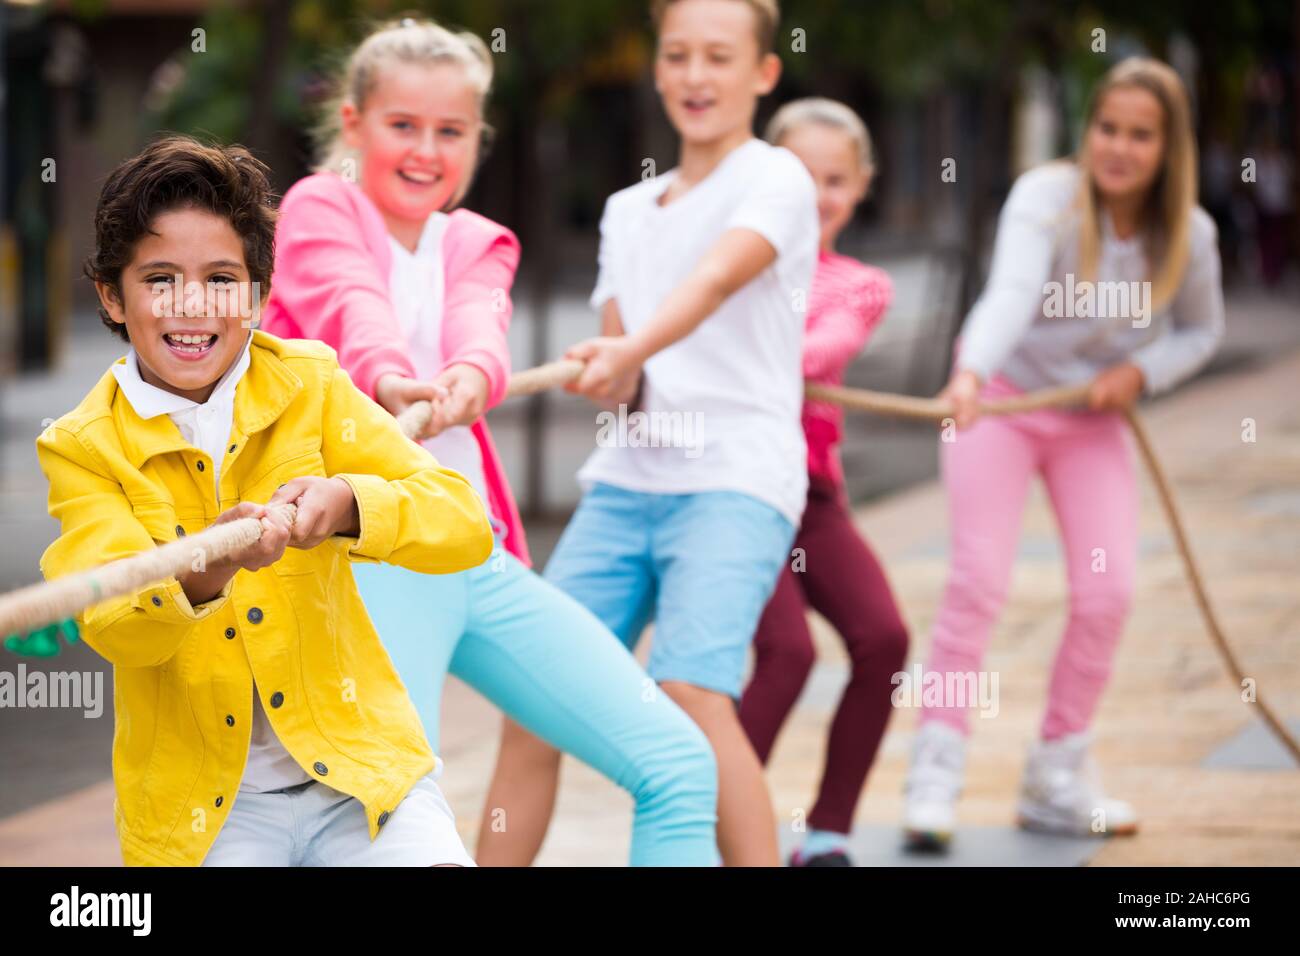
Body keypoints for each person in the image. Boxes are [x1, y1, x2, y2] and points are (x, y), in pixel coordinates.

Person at [261, 17, 719, 867]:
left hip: (474, 554)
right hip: (363, 562)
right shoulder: (319, 207)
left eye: (451, 131)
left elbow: (480, 320)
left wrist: (474, 371)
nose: (426, 150)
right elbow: (349, 303)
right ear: (354, 126)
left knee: (680, 764)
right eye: (402, 125)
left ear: (479, 138)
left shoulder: (475, 238)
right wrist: (393, 377)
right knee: (391, 823)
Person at [38, 136, 494, 866]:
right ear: (111, 295)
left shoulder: (308, 383)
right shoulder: (83, 445)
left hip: (360, 774)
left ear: (257, 293)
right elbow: (114, 622)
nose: (193, 304)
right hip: (204, 813)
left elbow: (463, 521)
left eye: (222, 277)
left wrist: (348, 501)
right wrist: (204, 572)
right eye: (160, 277)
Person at [478, 0, 819, 866]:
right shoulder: (627, 210)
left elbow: (709, 284)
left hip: (737, 476)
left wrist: (629, 344)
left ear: (763, 73)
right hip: (628, 481)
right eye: (678, 56)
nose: (696, 76)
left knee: (692, 690)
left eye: (718, 56)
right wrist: (610, 367)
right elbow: (626, 375)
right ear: (658, 68)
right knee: (533, 702)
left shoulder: (775, 178)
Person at [904, 57, 1225, 848]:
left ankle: (1056, 772)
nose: (1119, 147)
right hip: (1000, 400)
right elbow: (1010, 293)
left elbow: (1201, 330)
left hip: (1092, 418)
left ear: (1169, 147)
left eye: (1140, 135)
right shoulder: (1045, 199)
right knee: (978, 581)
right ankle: (936, 769)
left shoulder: (1192, 234)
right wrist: (973, 370)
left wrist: (1139, 373)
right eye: (1107, 128)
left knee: (1108, 594)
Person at [738, 98, 908, 867]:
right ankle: (712, 832)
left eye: (835, 179)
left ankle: (829, 830)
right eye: (798, 175)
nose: (816, 193)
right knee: (788, 653)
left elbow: (827, 342)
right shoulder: (731, 267)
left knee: (884, 638)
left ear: (862, 185)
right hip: (737, 488)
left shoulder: (859, 284)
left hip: (810, 496)